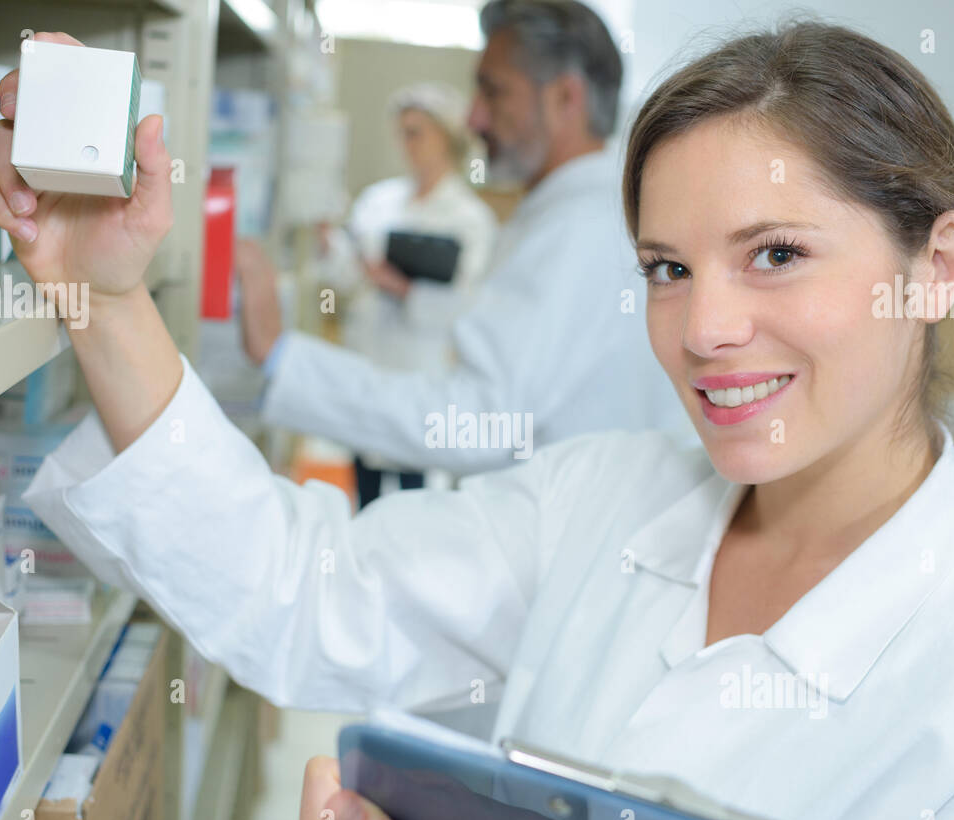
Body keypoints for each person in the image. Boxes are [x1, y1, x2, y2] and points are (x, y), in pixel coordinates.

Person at [0, 21, 954, 820]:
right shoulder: (600, 496)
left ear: (935, 269)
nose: (705, 330)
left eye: (775, 253)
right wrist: (104, 300)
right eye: (668, 269)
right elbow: (299, 588)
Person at [235, 0, 689, 478]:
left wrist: (282, 358)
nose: (473, 119)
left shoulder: (578, 230)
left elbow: (484, 423)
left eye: (493, 93)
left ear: (564, 99)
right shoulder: (576, 214)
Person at [272, 83, 498, 506]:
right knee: (367, 478)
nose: (406, 143)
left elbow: (464, 307)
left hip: (420, 367)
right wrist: (329, 243)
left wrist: (401, 286)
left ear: (446, 137)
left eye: (417, 132)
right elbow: (346, 280)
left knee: (412, 493)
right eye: (402, 132)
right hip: (369, 355)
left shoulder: (470, 217)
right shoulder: (379, 201)